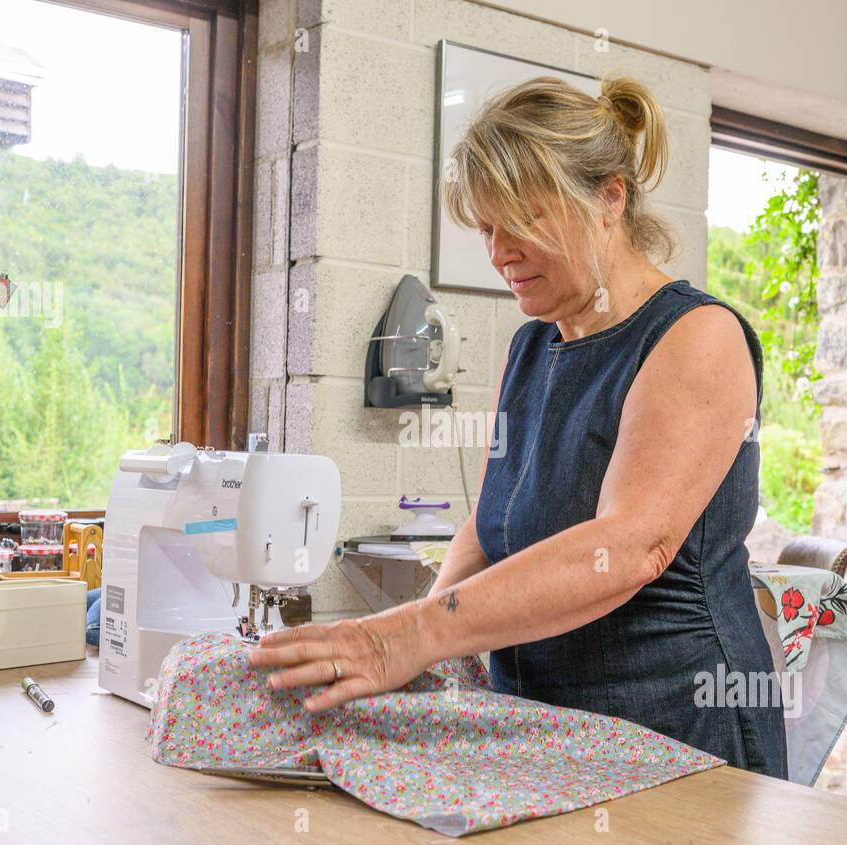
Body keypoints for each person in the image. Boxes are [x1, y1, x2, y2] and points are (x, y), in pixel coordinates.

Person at [250, 74, 787, 778]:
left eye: (522, 222)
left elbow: (632, 548)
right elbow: (493, 522)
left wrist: (405, 636)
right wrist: (424, 644)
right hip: (541, 723)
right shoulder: (533, 345)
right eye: (486, 228)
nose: (500, 252)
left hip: (675, 724)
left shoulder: (696, 336)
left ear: (609, 200)